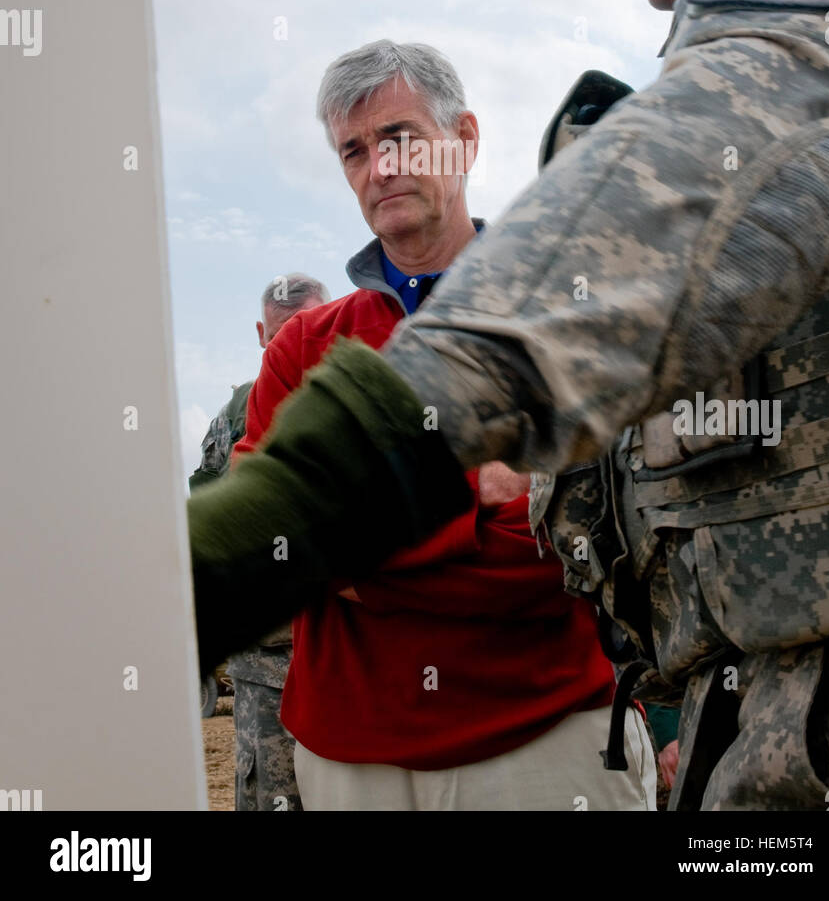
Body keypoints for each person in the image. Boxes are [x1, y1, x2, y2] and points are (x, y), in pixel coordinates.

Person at [189, 0, 829, 811]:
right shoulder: (312, 342)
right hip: (768, 703)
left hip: (573, 734)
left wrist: (337, 487)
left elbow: (709, 153)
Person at [232, 40, 655, 811]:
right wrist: (475, 500)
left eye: (398, 137)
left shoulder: (563, 313)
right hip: (349, 760)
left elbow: (575, 542)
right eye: (353, 151)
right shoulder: (303, 347)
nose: (378, 168)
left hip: (546, 739)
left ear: (462, 139)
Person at [192, 271, 329, 812]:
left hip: (354, 653)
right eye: (278, 337)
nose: (291, 347)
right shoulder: (234, 417)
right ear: (259, 334)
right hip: (271, 663)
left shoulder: (361, 400)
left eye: (305, 329)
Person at [189, 275, 329, 489]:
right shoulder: (233, 412)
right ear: (261, 334)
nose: (290, 353)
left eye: (302, 337)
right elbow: (206, 485)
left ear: (331, 327)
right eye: (278, 340)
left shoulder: (354, 398)